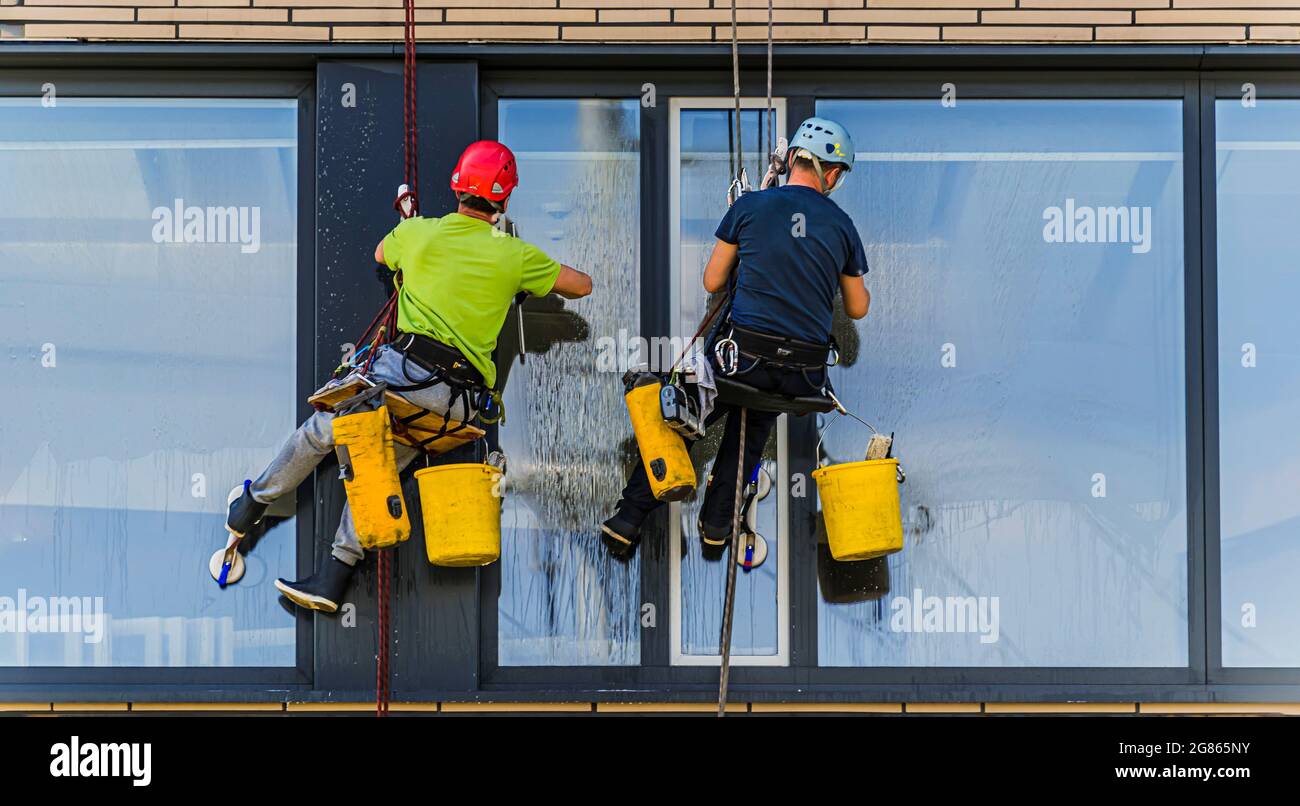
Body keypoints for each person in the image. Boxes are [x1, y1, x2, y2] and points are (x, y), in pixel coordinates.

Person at [224, 140, 593, 611]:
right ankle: (333, 578)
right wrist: (516, 275)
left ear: (457, 187)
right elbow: (582, 285)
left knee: (323, 431)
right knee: (379, 466)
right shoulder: (514, 254)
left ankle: (252, 502)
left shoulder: (420, 232)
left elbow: (382, 255)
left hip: (404, 377)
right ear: (503, 200)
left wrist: (411, 236)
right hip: (453, 404)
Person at [602, 117, 870, 560]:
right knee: (755, 421)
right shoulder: (841, 226)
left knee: (688, 417)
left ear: (794, 164)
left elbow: (712, 281)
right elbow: (857, 308)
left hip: (738, 360)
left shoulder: (751, 207)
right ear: (832, 172)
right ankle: (716, 527)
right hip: (800, 375)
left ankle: (627, 519)